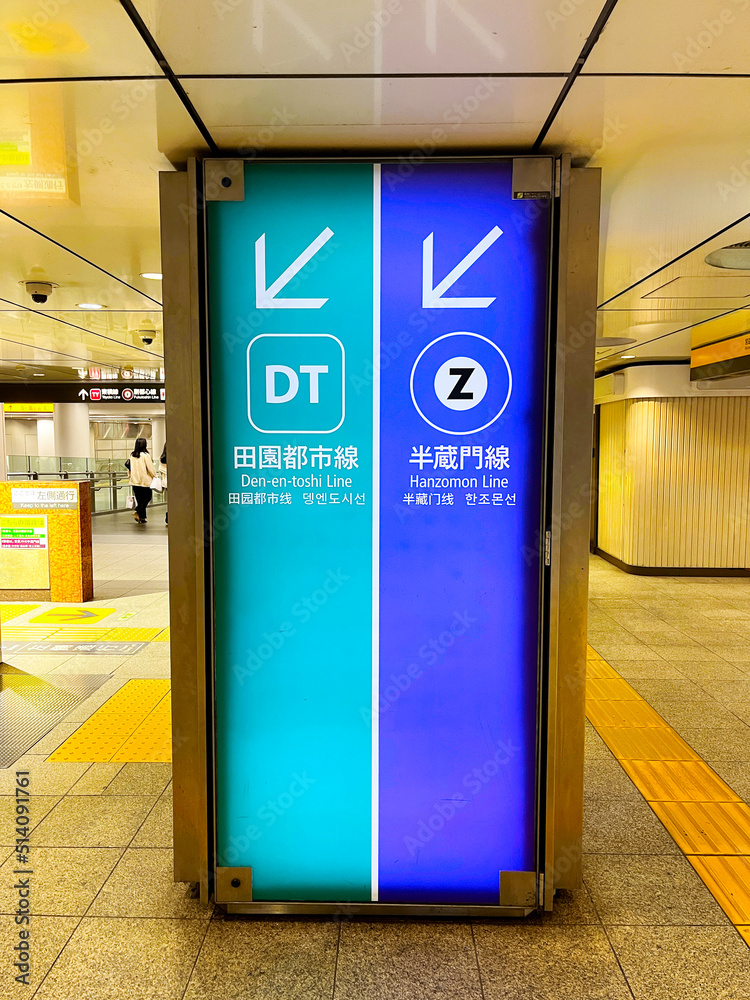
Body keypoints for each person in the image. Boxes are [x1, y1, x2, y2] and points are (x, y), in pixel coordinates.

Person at [127, 437, 157, 524]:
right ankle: (137, 510)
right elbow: (150, 468)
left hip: (135, 481)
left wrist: (130, 477)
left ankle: (142, 517)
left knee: (140, 499)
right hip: (144, 481)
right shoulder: (145, 455)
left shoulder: (132, 455)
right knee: (148, 497)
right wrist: (155, 476)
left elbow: (129, 468)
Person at [160, 442, 168, 525]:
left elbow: (161, 469)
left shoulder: (162, 458)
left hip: (166, 483)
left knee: (169, 501)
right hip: (176, 483)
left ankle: (168, 515)